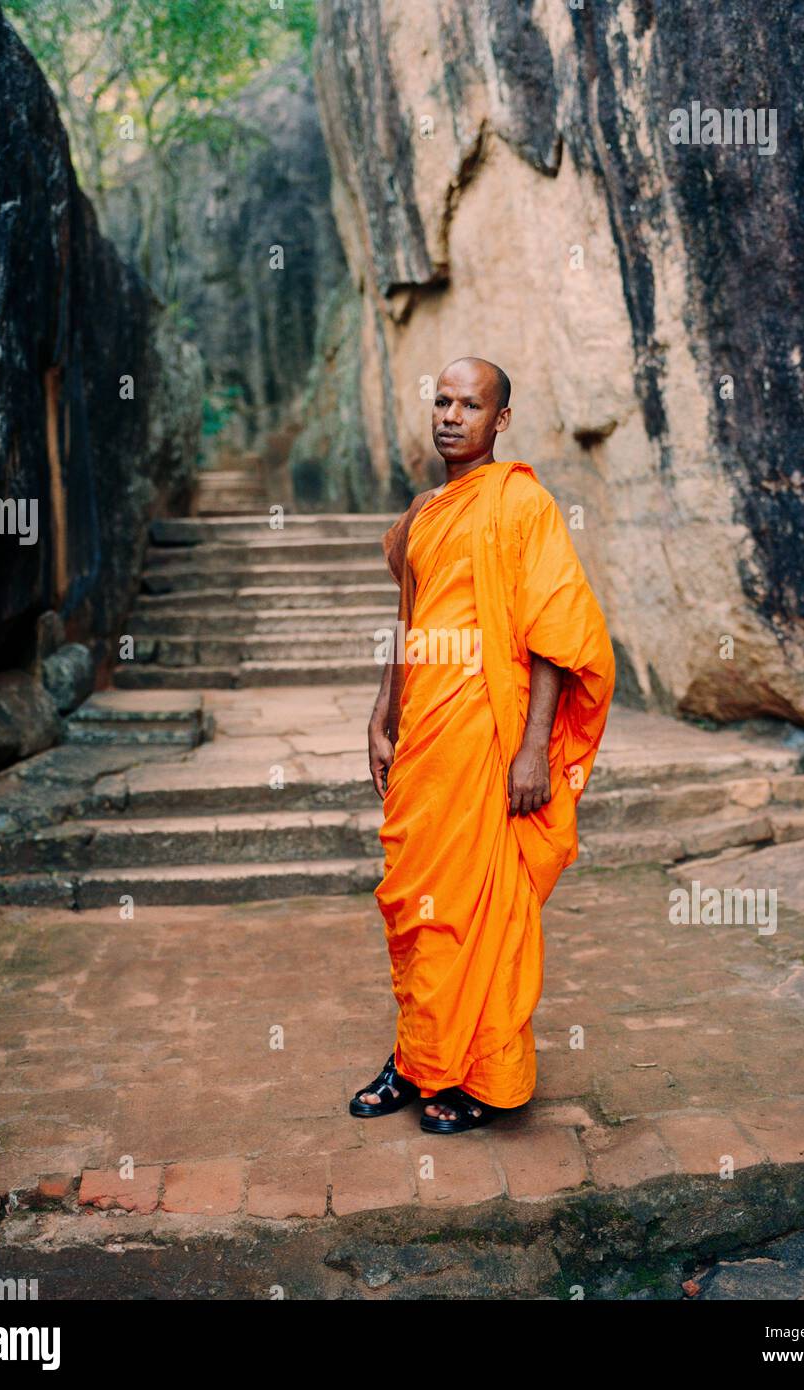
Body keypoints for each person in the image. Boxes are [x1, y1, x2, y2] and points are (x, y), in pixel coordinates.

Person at [350, 356, 616, 1134]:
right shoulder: (426, 510)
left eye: (471, 405)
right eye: (442, 400)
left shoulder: (522, 503)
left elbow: (553, 639)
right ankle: (417, 1059)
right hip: (427, 739)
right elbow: (409, 618)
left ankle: (487, 1076)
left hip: (490, 739)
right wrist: (379, 712)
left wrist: (534, 748)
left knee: (484, 910)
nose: (451, 416)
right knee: (415, 907)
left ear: (500, 420)